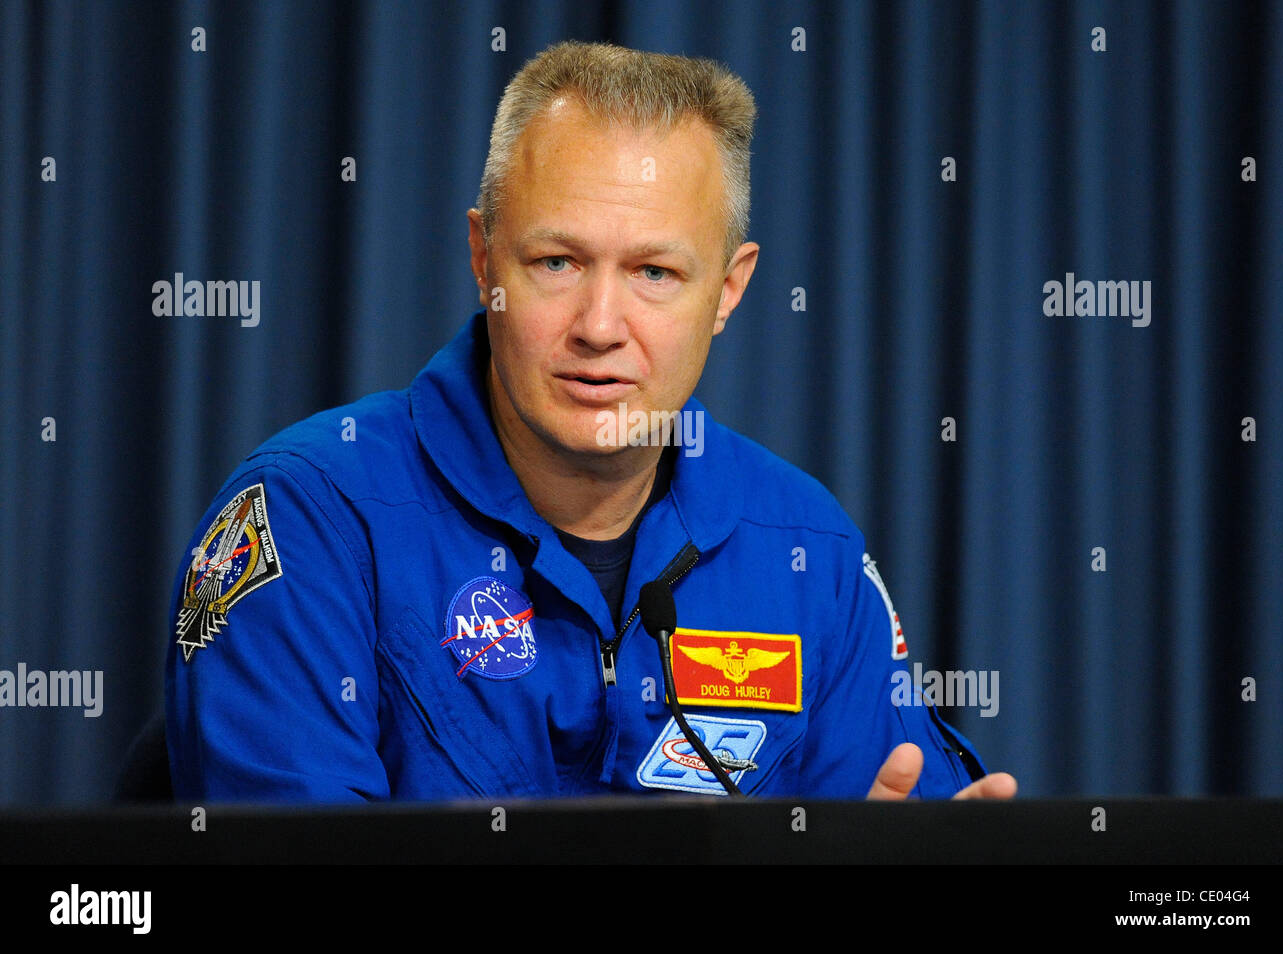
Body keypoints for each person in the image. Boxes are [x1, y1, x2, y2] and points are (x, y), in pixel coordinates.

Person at [166, 40, 1016, 803]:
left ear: (728, 290)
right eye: (557, 262)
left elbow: (896, 826)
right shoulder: (310, 519)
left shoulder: (808, 552)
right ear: (482, 256)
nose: (600, 325)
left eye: (653, 272)